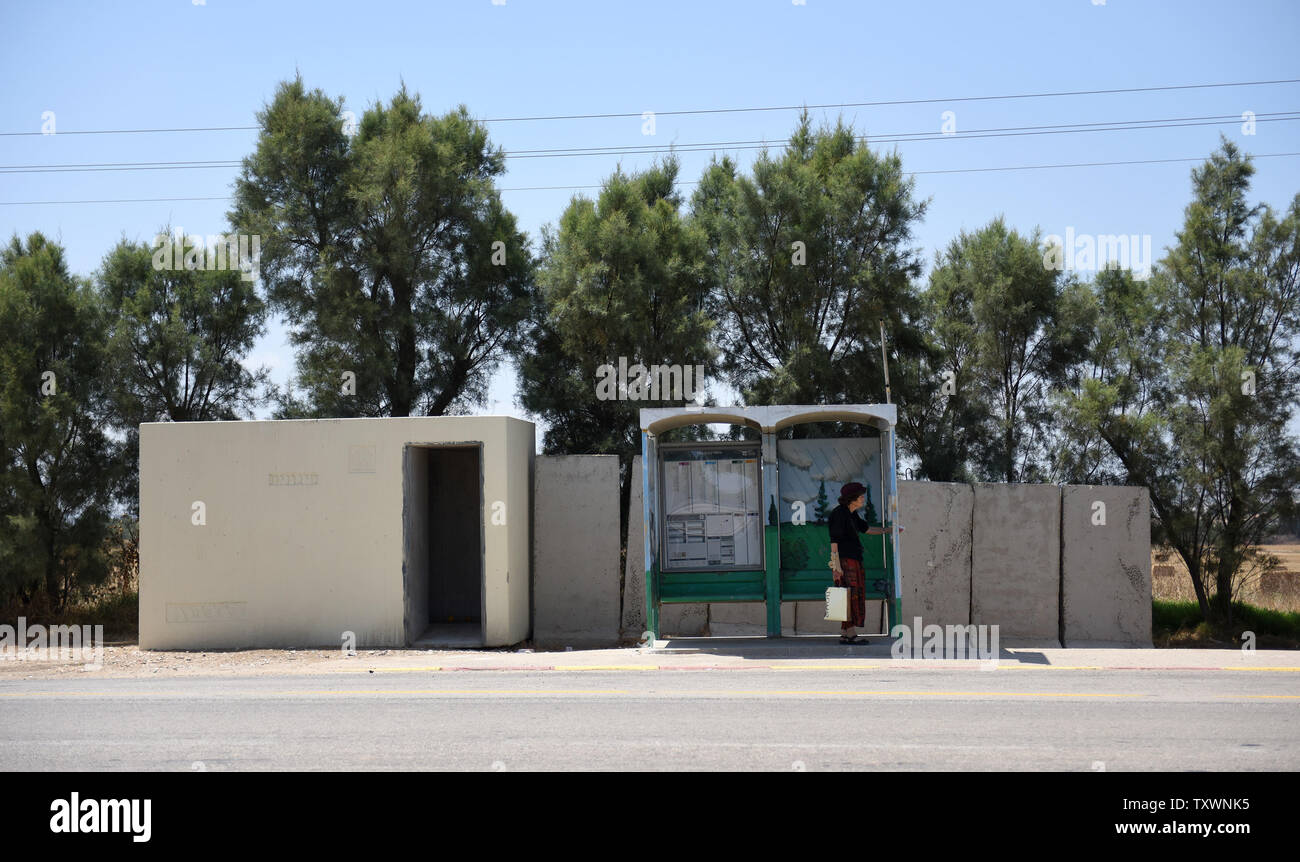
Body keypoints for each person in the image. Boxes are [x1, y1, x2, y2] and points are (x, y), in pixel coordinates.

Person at [828, 481, 891, 645]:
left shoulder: (852, 514)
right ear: (852, 498)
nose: (863, 498)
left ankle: (844, 632)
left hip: (853, 560)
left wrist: (888, 530)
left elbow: (867, 529)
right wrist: (836, 566)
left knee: (848, 595)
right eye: (860, 496)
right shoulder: (839, 514)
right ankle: (851, 634)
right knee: (850, 595)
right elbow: (834, 542)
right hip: (845, 561)